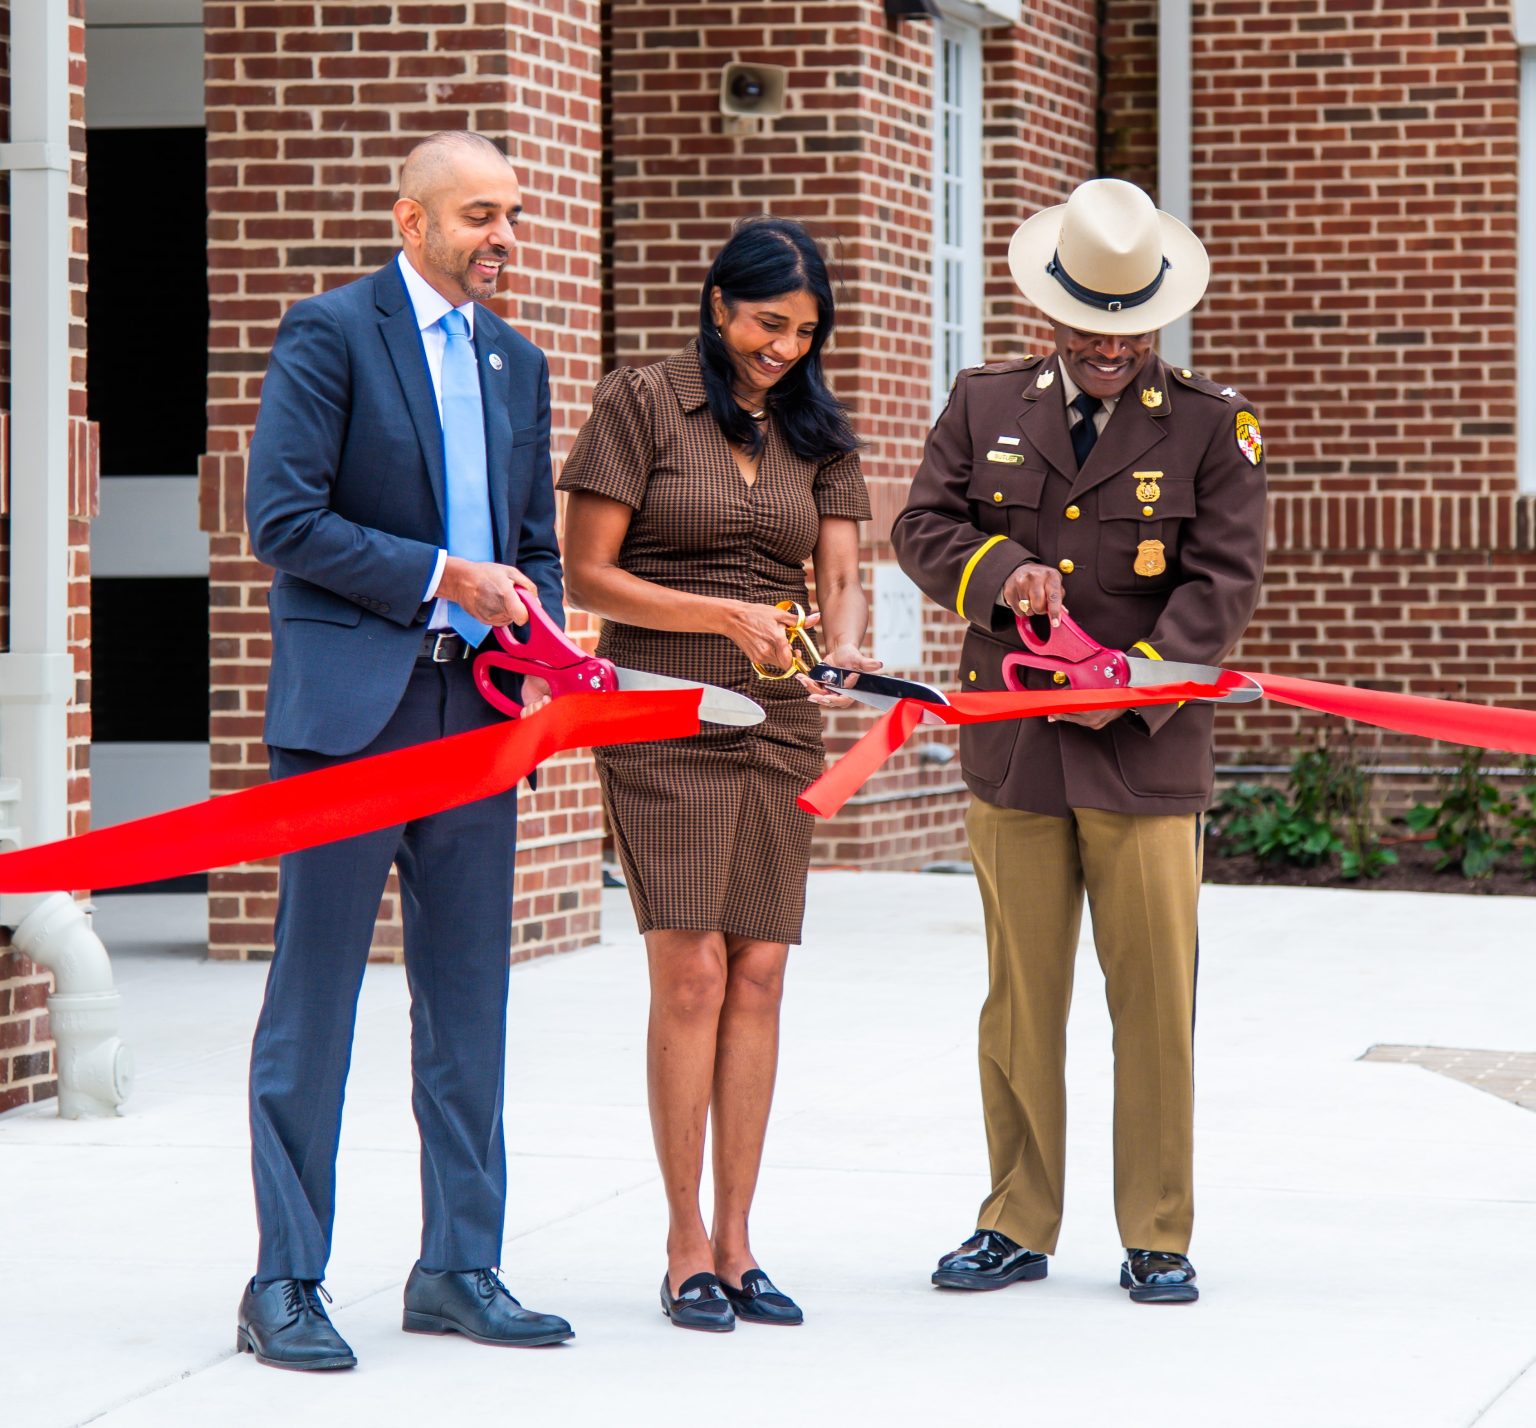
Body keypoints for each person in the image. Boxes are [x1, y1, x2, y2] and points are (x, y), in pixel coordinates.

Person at [892, 178, 1267, 1304]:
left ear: (1156, 317)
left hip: (1144, 750)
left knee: (1153, 1001)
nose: (1109, 349)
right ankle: (1015, 1220)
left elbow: (1224, 580)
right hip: (1016, 749)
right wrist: (1004, 574)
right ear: (1051, 310)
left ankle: (1157, 1231)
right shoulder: (983, 402)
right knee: (1020, 998)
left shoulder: (1210, 424)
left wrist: (1130, 682)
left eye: (1130, 329)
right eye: (1089, 327)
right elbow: (922, 526)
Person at [237, 131, 572, 1370]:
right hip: (352, 717)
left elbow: (533, 547)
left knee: (469, 1002)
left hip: (476, 718)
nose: (503, 236)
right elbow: (284, 518)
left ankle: (458, 1267)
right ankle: (284, 1280)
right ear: (411, 218)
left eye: (512, 214)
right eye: (480, 214)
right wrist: (442, 575)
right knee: (314, 1003)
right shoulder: (330, 333)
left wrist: (536, 645)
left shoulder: (517, 361)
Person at [558, 217, 875, 1331]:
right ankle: (683, 1240)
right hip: (660, 710)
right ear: (717, 305)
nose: (784, 348)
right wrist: (723, 615)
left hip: (778, 719)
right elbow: (588, 575)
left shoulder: (820, 431)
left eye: (805, 332)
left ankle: (740, 1243)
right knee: (690, 970)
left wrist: (842, 652)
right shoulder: (641, 402)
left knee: (761, 972)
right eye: (766, 323)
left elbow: (841, 576)